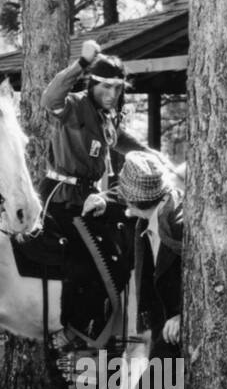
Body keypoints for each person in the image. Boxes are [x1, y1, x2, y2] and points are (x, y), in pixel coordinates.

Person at [39, 39, 151, 352]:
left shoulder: (107, 116)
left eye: (118, 88)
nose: (112, 94)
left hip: (88, 196)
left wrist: (152, 157)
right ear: (93, 84)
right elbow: (49, 99)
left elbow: (122, 141)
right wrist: (81, 64)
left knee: (121, 244)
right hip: (61, 197)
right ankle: (71, 330)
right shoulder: (74, 106)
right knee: (87, 262)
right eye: (106, 87)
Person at [119, 151, 184, 389]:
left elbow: (207, 272)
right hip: (165, 328)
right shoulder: (155, 213)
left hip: (187, 326)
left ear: (134, 199)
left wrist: (186, 315)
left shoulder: (178, 222)